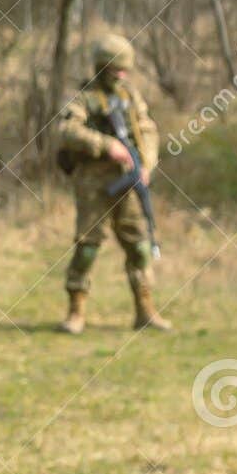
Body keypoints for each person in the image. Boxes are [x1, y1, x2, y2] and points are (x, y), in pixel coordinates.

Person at [52, 33, 172, 333]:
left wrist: (146, 165)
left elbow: (147, 129)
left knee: (139, 247)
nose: (122, 75)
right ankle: (76, 311)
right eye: (116, 69)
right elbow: (67, 130)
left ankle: (145, 310)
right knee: (88, 247)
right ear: (102, 67)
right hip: (94, 183)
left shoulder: (130, 96)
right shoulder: (84, 98)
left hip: (128, 181)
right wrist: (106, 146)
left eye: (125, 70)